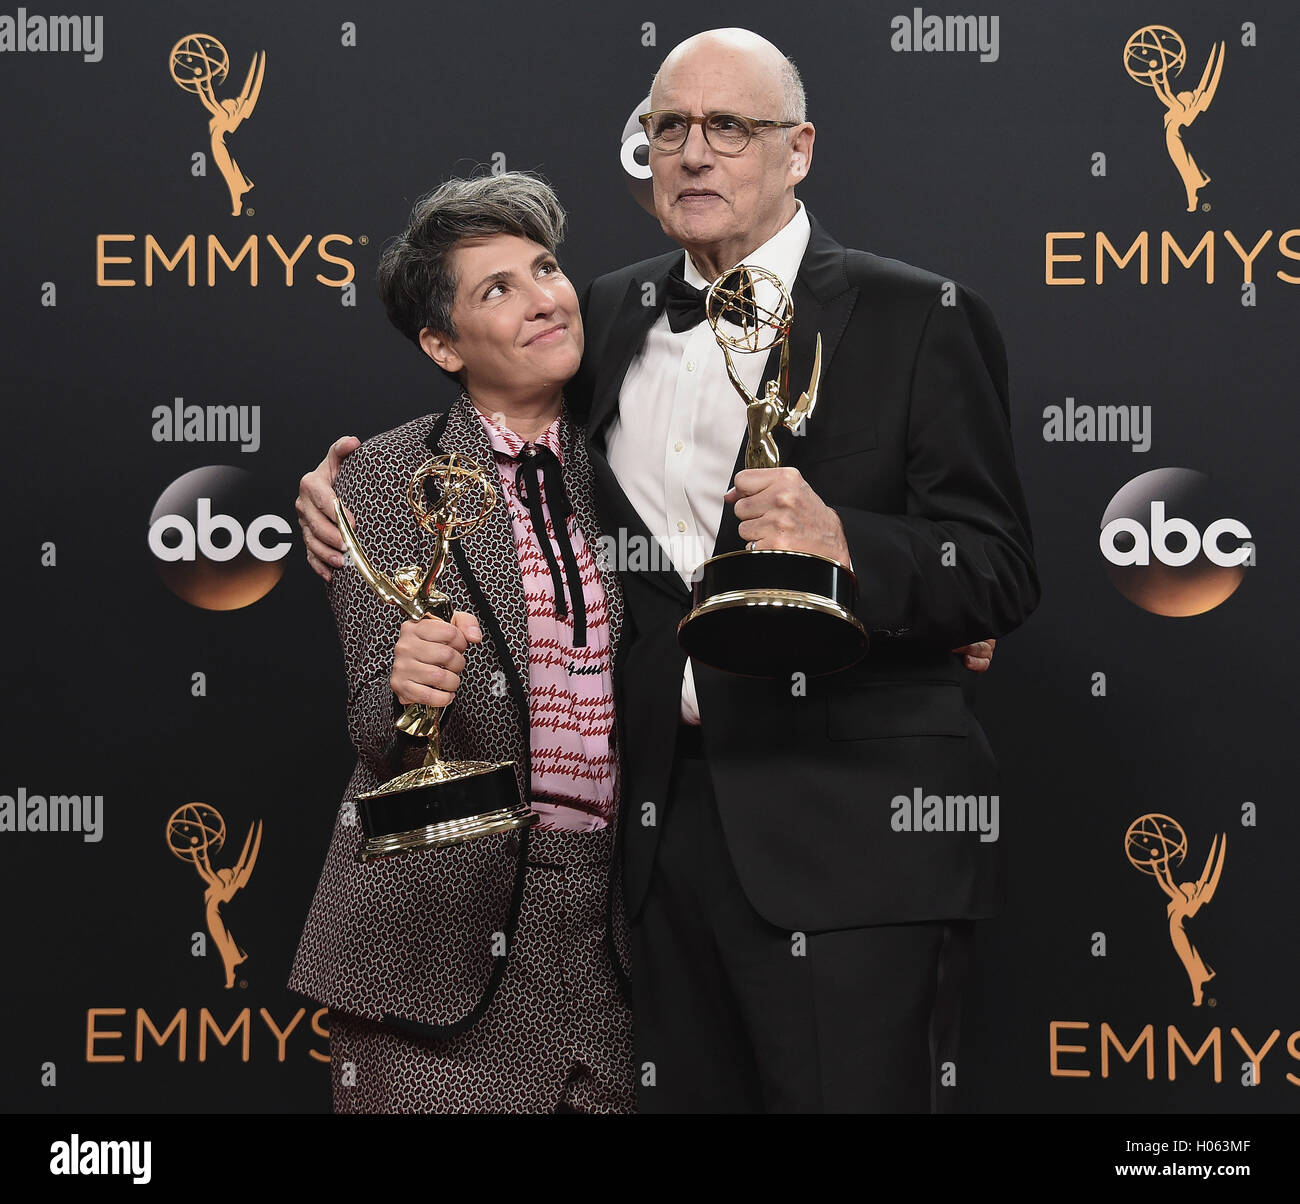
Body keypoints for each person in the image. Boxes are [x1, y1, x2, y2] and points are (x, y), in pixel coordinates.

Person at [297, 27, 1035, 1113]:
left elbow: (997, 568)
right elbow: (489, 435)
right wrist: (338, 501)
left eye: (728, 127)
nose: (693, 152)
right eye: (668, 129)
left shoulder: (915, 315)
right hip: (653, 860)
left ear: (800, 149)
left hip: (849, 839)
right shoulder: (605, 314)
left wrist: (854, 549)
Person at [287, 172, 635, 1114]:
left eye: (546, 269)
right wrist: (406, 688)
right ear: (441, 343)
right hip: (437, 937)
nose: (543, 300)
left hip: (621, 939)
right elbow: (377, 734)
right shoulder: (388, 479)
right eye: (498, 289)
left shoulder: (635, 463)